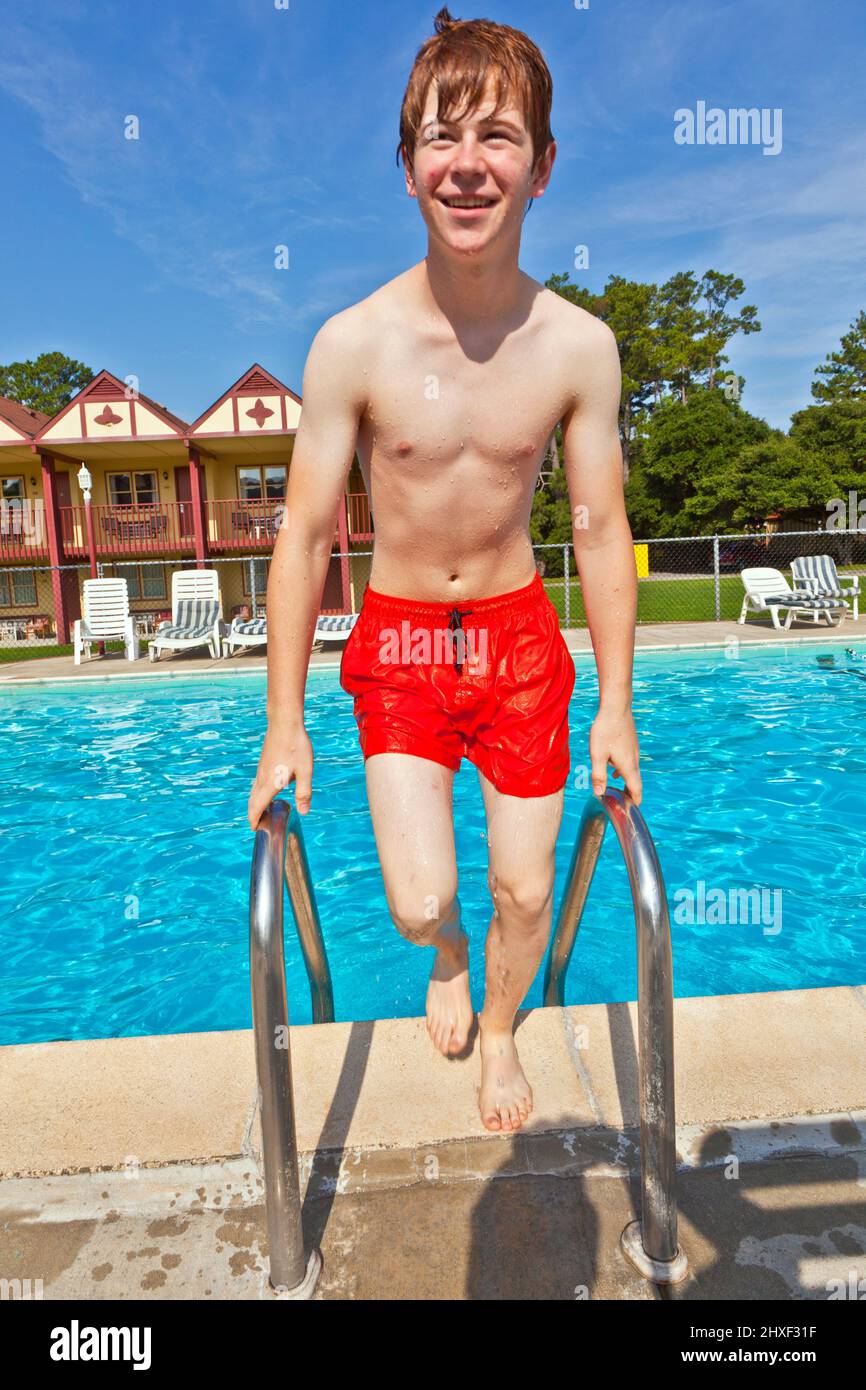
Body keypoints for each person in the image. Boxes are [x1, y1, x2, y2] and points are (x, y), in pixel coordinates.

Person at [248, 7, 641, 1134]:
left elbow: (602, 528)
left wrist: (615, 705)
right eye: (439, 137)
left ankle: (508, 1029)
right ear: (407, 166)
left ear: (543, 165)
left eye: (499, 136)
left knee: (529, 889)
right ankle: (450, 950)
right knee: (422, 903)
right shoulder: (353, 345)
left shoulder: (577, 347)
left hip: (518, 640)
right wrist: (285, 722)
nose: (468, 163)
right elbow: (305, 535)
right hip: (404, 642)